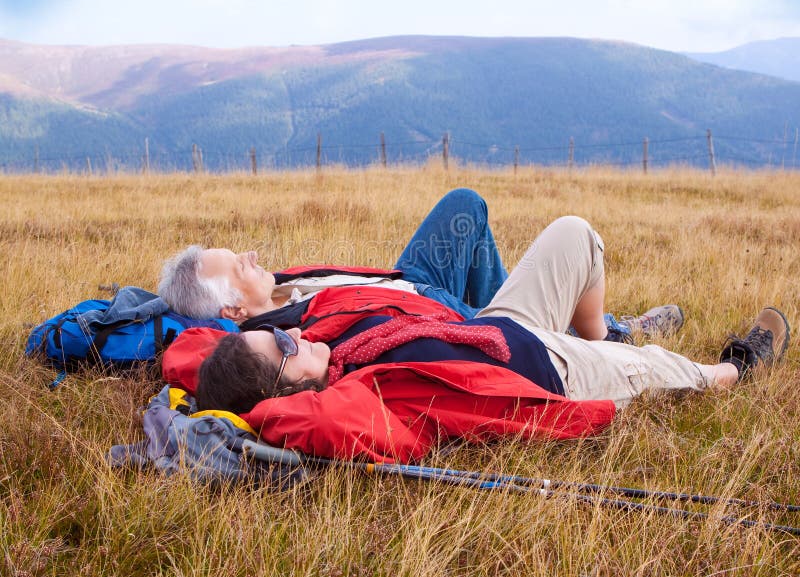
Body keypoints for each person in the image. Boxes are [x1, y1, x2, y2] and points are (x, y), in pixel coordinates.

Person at [193, 214, 790, 416]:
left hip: (497, 324)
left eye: (284, 334)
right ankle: (737, 368)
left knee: (575, 233)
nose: (294, 334)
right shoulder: (355, 401)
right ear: (288, 393)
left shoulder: (331, 347)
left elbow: (202, 348)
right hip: (549, 368)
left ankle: (610, 331)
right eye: (286, 348)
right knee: (658, 367)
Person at [158, 189, 681, 342]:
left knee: (464, 205)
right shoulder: (288, 338)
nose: (250, 255)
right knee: (575, 236)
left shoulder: (284, 288)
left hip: (412, 282)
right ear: (232, 307)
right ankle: (610, 335)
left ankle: (535, 321)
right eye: (239, 265)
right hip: (438, 319)